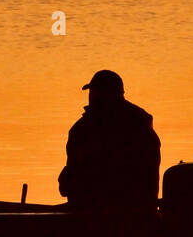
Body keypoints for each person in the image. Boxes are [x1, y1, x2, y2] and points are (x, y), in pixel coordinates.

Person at [57, 69, 160, 213]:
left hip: (94, 214)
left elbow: (71, 181)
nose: (90, 96)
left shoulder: (83, 129)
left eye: (93, 92)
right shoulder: (142, 123)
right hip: (141, 211)